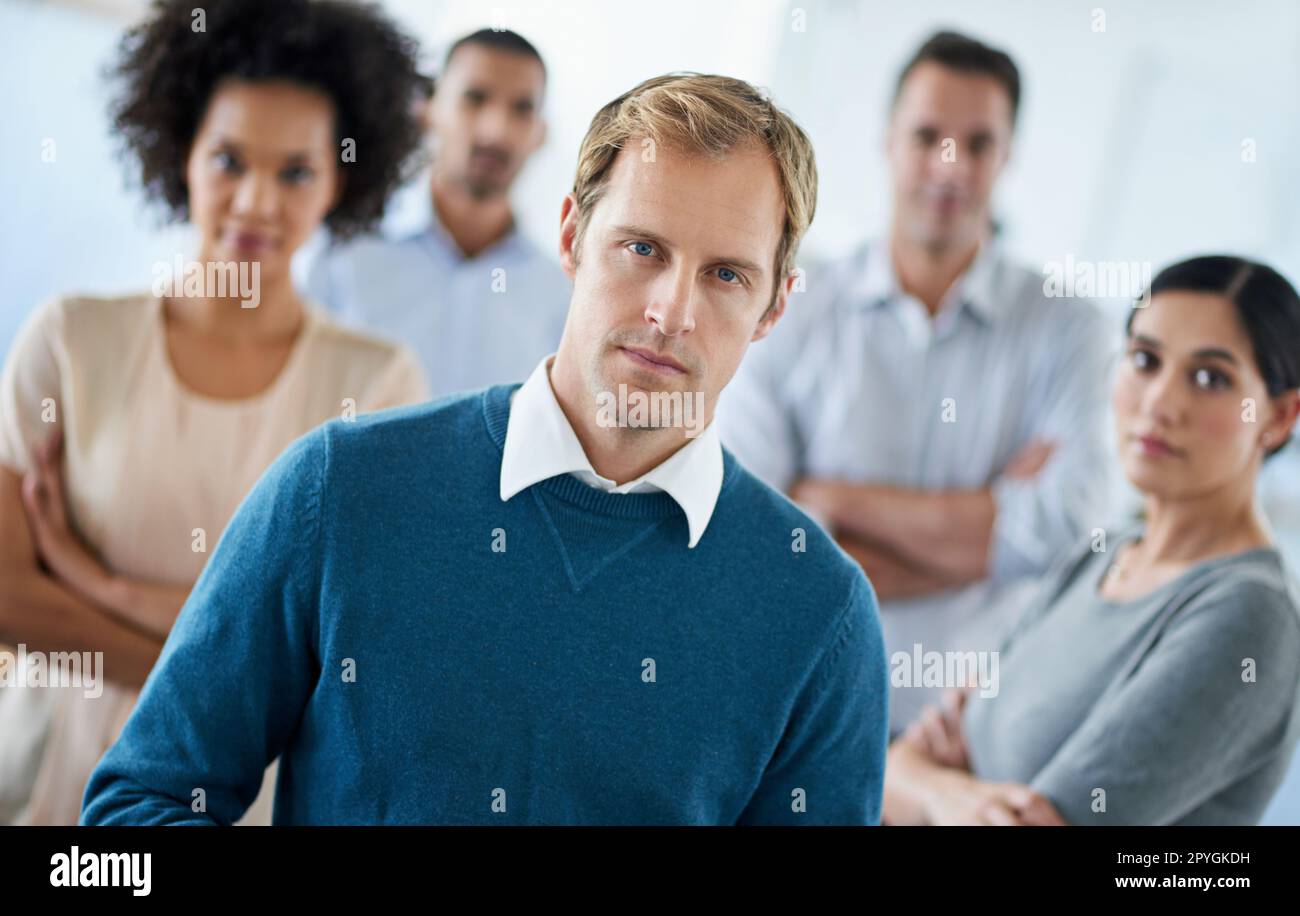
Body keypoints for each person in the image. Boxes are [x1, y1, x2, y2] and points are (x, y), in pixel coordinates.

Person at [81, 73, 890, 826]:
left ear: (775, 306)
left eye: (725, 275)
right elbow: (134, 810)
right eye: (642, 248)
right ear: (573, 235)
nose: (671, 311)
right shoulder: (342, 489)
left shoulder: (821, 616)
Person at [0, 0, 430, 826]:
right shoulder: (71, 337)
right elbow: (6, 596)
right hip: (43, 783)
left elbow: (334, 650)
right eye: (229, 159)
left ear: (342, 179)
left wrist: (92, 582)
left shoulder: (375, 385)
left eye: (297, 171)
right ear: (182, 155)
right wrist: (230, 672)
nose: (257, 200)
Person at [717, 30, 1113, 732]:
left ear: (1009, 156)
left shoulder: (1068, 325)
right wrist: (989, 531)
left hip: (972, 738)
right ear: (889, 140)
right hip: (794, 711)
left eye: (979, 144)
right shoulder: (789, 304)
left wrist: (830, 498)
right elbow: (756, 545)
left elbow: (1066, 531)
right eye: (928, 135)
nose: (950, 166)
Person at [884, 256, 1300, 825]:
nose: (1158, 403)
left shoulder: (1248, 616)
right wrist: (939, 793)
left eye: (1210, 378)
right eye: (1145, 360)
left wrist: (927, 787)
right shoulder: (1105, 552)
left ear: (1278, 415)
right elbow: (898, 770)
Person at [296, 28, 571, 397]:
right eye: (475, 98)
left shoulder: (561, 296)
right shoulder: (342, 252)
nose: (496, 131)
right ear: (427, 110)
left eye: (521, 109)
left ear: (540, 133)